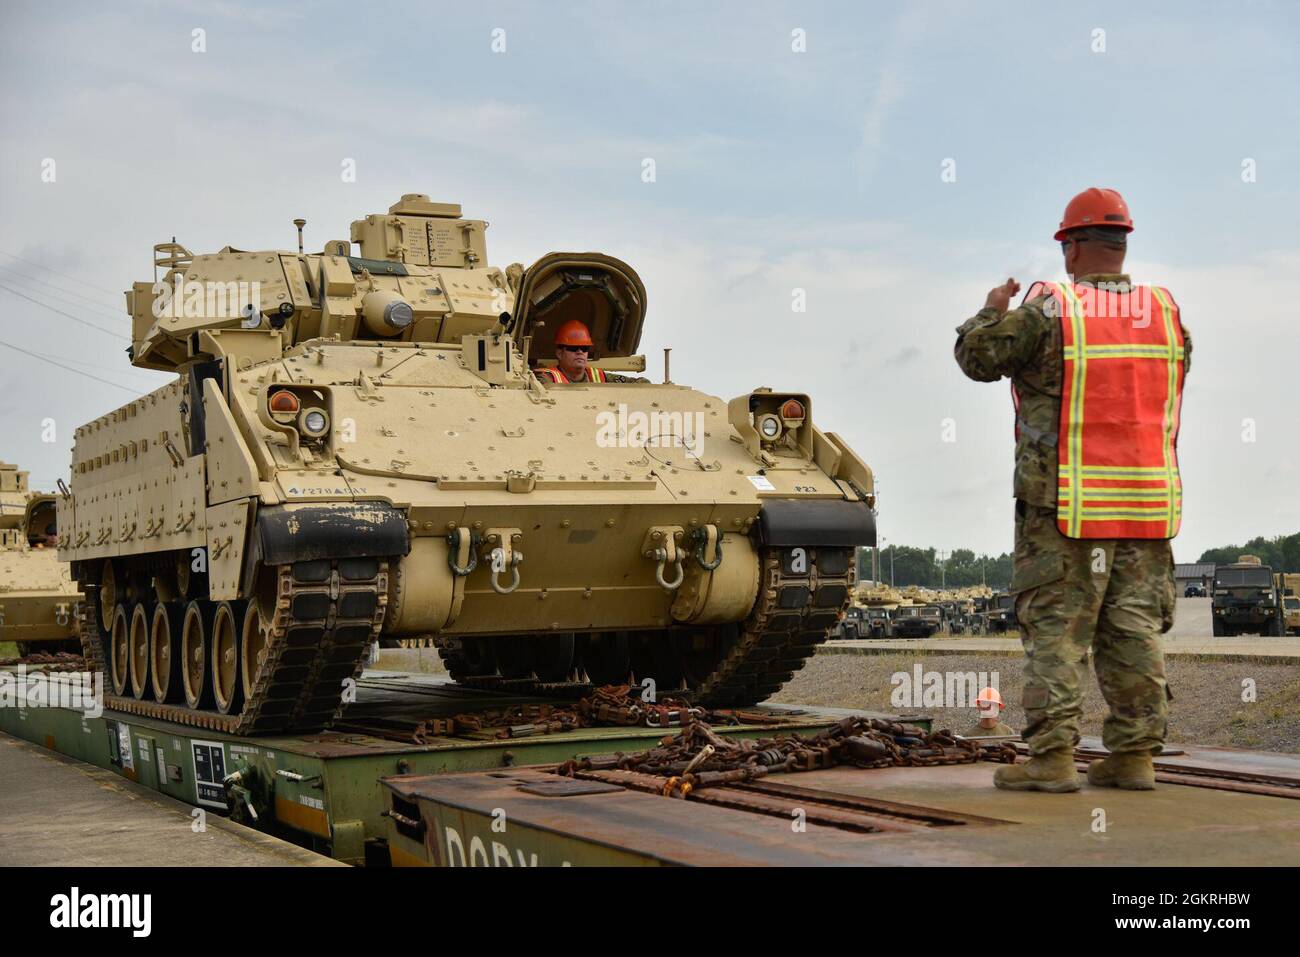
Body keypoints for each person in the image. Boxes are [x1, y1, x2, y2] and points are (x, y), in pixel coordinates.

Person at [954, 187, 1189, 793]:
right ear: (1123, 243)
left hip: (1066, 505)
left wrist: (987, 310)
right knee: (1131, 632)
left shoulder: (1050, 310)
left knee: (1057, 632)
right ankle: (1135, 758)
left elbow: (977, 358)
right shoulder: (1164, 312)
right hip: (1144, 506)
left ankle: (1053, 759)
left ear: (1072, 246)